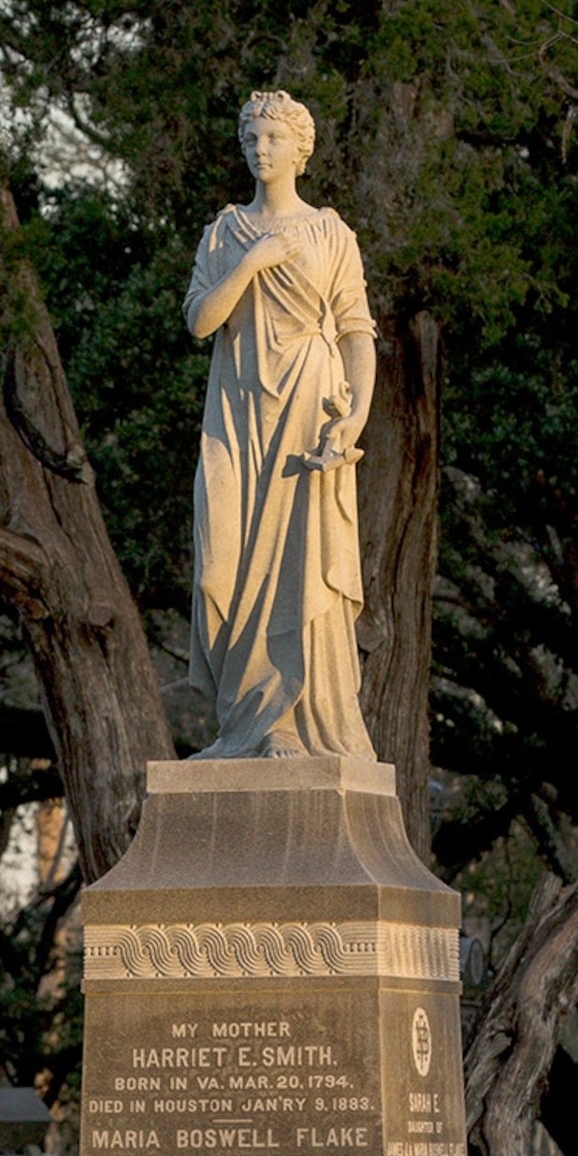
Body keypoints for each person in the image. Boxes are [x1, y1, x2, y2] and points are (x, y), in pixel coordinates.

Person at [181, 89, 379, 759]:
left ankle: (287, 723)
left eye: (272, 139)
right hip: (236, 418)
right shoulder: (225, 231)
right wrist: (250, 263)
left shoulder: (331, 233)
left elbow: (357, 332)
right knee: (220, 568)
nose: (260, 151)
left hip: (307, 408)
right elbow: (201, 321)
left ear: (301, 149)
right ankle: (245, 724)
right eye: (251, 140)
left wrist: (354, 418)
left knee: (298, 566)